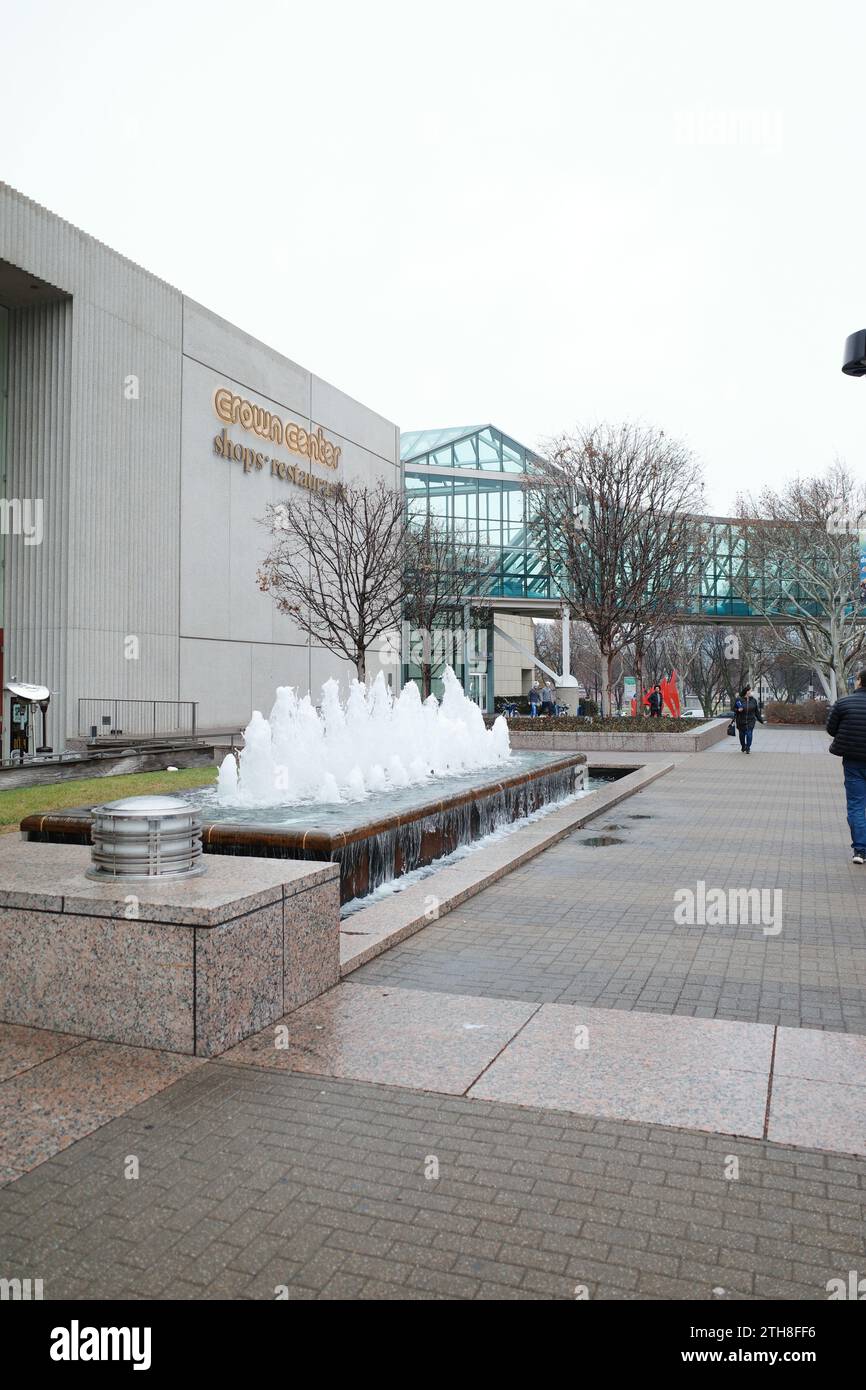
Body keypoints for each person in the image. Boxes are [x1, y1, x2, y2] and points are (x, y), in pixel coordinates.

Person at [826, 669, 866, 865]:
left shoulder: (844, 703)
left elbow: (831, 729)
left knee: (857, 804)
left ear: (859, 681)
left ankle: (860, 850)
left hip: (853, 761)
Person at [733, 684, 763, 753]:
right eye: (750, 691)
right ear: (747, 692)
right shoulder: (739, 699)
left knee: (749, 734)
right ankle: (743, 746)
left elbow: (757, 712)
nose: (751, 692)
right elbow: (734, 709)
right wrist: (738, 710)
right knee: (742, 736)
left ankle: (748, 747)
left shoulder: (754, 701)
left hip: (750, 721)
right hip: (741, 721)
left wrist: (760, 720)